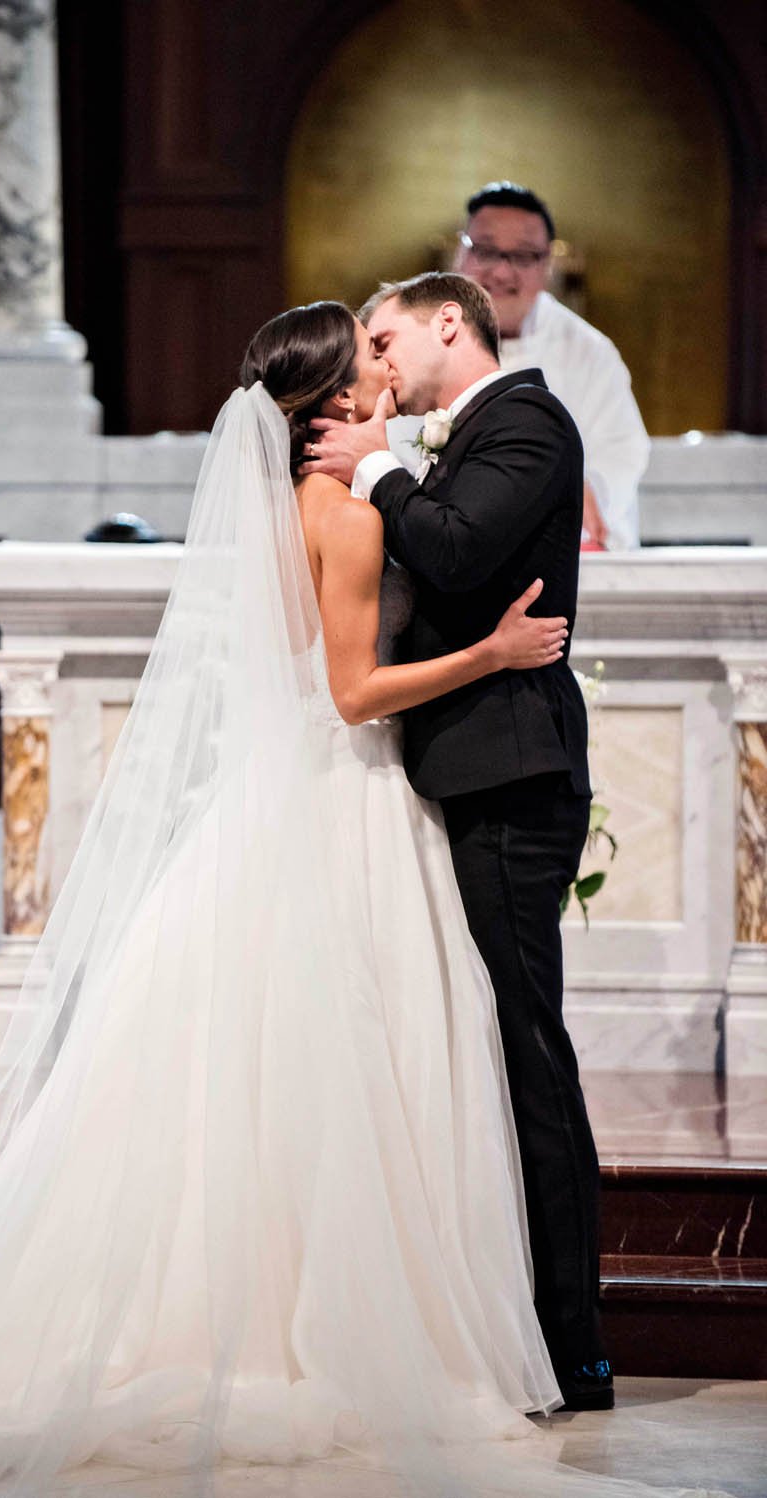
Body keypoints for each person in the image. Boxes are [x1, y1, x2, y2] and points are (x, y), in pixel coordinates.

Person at [0, 304, 713, 1498]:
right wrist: (486, 657)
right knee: (369, 1072)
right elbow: (357, 691)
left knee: (261, 1074)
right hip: (352, 800)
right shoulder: (353, 513)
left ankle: (244, 1306)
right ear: (330, 403)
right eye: (369, 354)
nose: (387, 362)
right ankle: (348, 1327)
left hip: (294, 802)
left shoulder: (293, 505)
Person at [305, 268, 609, 1417]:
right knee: (490, 1044)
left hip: (510, 770)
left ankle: (572, 1339)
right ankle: (506, 1310)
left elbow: (462, 552)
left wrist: (378, 469)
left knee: (527, 1047)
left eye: (385, 338)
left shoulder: (526, 419)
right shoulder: (467, 429)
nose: (377, 364)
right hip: (466, 766)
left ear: (450, 321)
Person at [455, 182, 649, 550]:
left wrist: (584, 489)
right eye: (485, 250)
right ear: (460, 254)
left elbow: (621, 449)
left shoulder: (590, 353)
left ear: (547, 265)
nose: (500, 271)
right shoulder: (424, 336)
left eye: (523, 256)